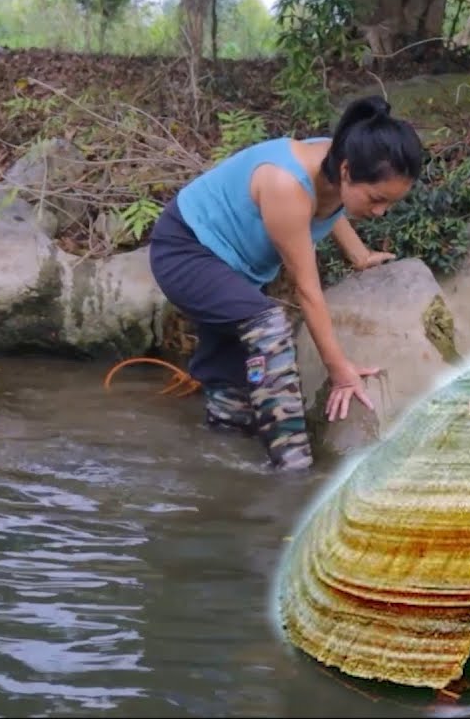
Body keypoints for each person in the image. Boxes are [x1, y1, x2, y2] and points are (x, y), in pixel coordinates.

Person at [147, 95, 423, 471]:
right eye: (376, 199)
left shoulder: (335, 163)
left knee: (232, 402)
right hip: (187, 251)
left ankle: (211, 472)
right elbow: (307, 291)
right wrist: (339, 370)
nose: (380, 212)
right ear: (346, 170)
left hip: (232, 269)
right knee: (267, 324)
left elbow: (329, 205)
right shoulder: (285, 184)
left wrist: (358, 255)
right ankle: (291, 468)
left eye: (390, 203)